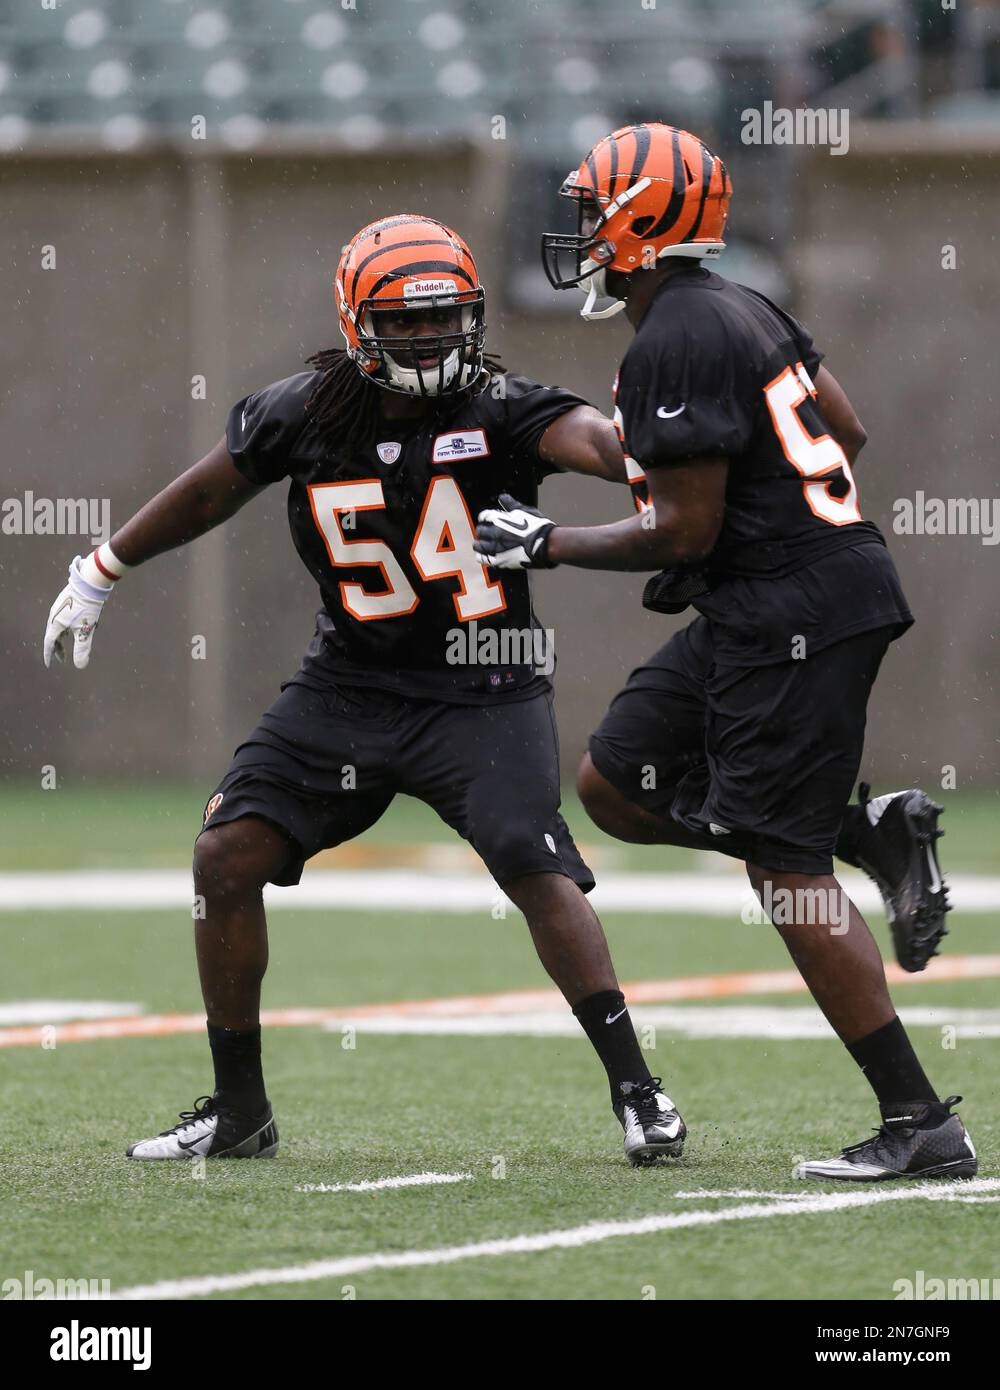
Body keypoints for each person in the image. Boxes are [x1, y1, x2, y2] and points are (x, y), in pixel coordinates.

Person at [42, 213, 685, 1167]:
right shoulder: (303, 412)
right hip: (348, 684)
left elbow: (596, 437)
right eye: (405, 320)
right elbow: (212, 489)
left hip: (483, 682)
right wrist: (103, 566)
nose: (429, 337)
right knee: (224, 858)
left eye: (445, 318)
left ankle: (639, 1092)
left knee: (534, 863)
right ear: (357, 323)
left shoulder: (503, 407)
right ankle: (240, 1111)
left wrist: (656, 457)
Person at [475, 125, 974, 1183]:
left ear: (643, 222)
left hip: (791, 606)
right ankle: (865, 831)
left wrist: (546, 540)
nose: (580, 232)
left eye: (596, 209)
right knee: (616, 781)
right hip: (779, 599)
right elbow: (846, 431)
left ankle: (918, 1117)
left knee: (780, 867)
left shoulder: (678, 334)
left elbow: (680, 534)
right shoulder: (738, 305)